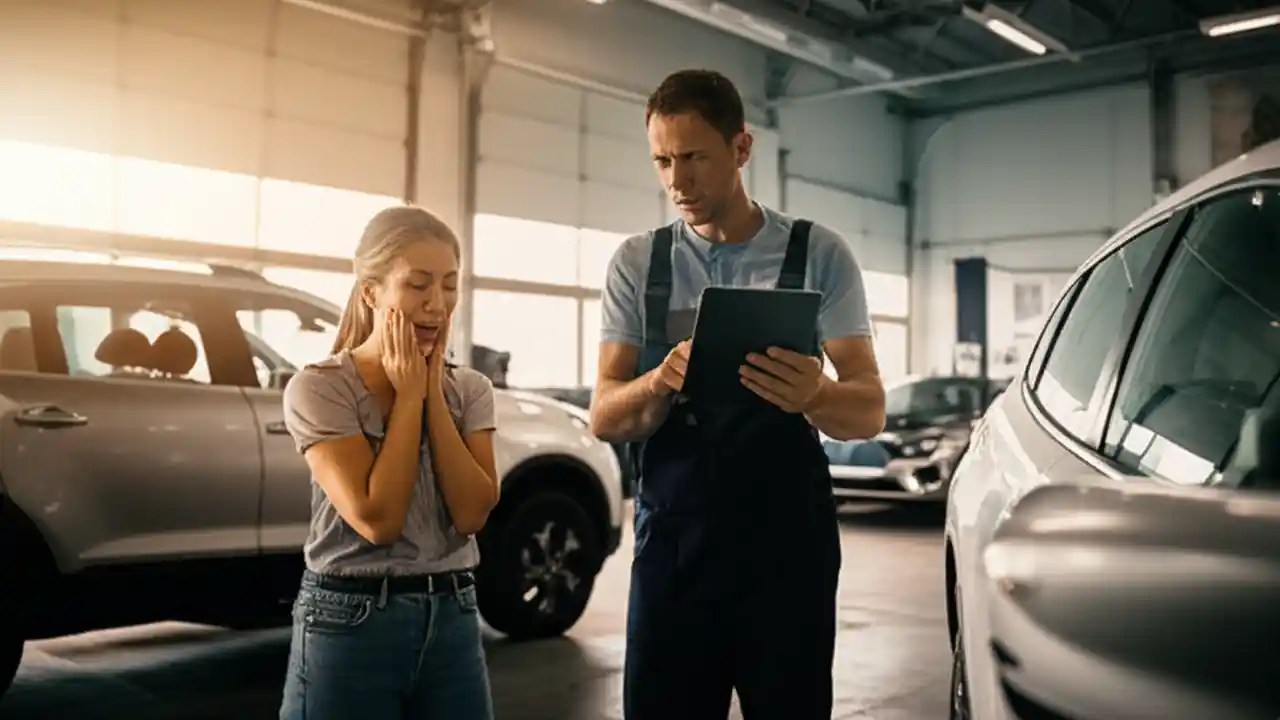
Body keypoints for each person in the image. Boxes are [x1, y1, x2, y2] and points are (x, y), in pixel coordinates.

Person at [589, 69, 887, 719]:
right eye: (662, 161)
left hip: (788, 552)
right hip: (675, 549)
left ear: (742, 149)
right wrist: (659, 379)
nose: (677, 181)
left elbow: (867, 409)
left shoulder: (818, 254)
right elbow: (605, 416)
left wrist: (815, 393)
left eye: (694, 156)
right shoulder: (638, 264)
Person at [278, 206, 501, 720]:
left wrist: (428, 394)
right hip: (349, 620)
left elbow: (471, 514)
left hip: (453, 614)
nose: (437, 305)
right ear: (372, 292)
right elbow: (378, 519)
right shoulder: (320, 388)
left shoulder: (469, 390)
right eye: (417, 285)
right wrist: (406, 400)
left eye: (449, 286)